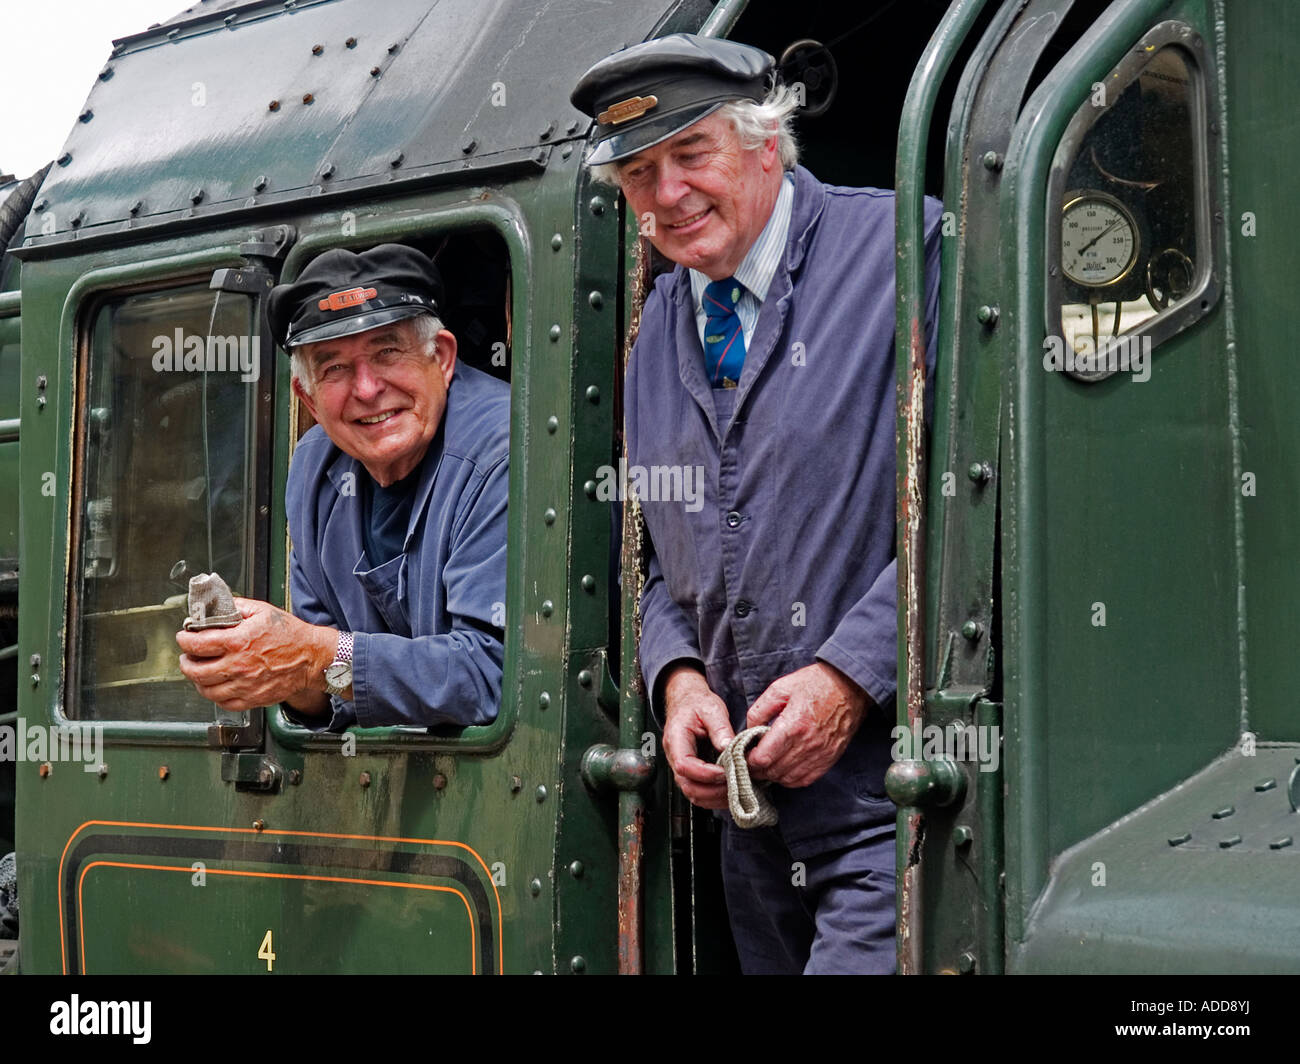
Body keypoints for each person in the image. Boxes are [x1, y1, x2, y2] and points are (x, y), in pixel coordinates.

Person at [571, 34, 942, 973]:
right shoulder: (657, 325)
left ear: (767, 143)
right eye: (639, 173)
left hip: (900, 802)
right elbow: (652, 555)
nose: (665, 195)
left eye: (692, 155)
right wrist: (680, 677)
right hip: (752, 832)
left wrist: (848, 679)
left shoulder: (910, 251)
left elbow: (984, 502)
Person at [176, 244, 509, 731]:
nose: (368, 388)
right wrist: (279, 674)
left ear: (441, 357)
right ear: (307, 398)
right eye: (334, 368)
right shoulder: (313, 469)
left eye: (387, 352)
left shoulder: (502, 450)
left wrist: (312, 658)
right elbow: (333, 691)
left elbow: (490, 676)